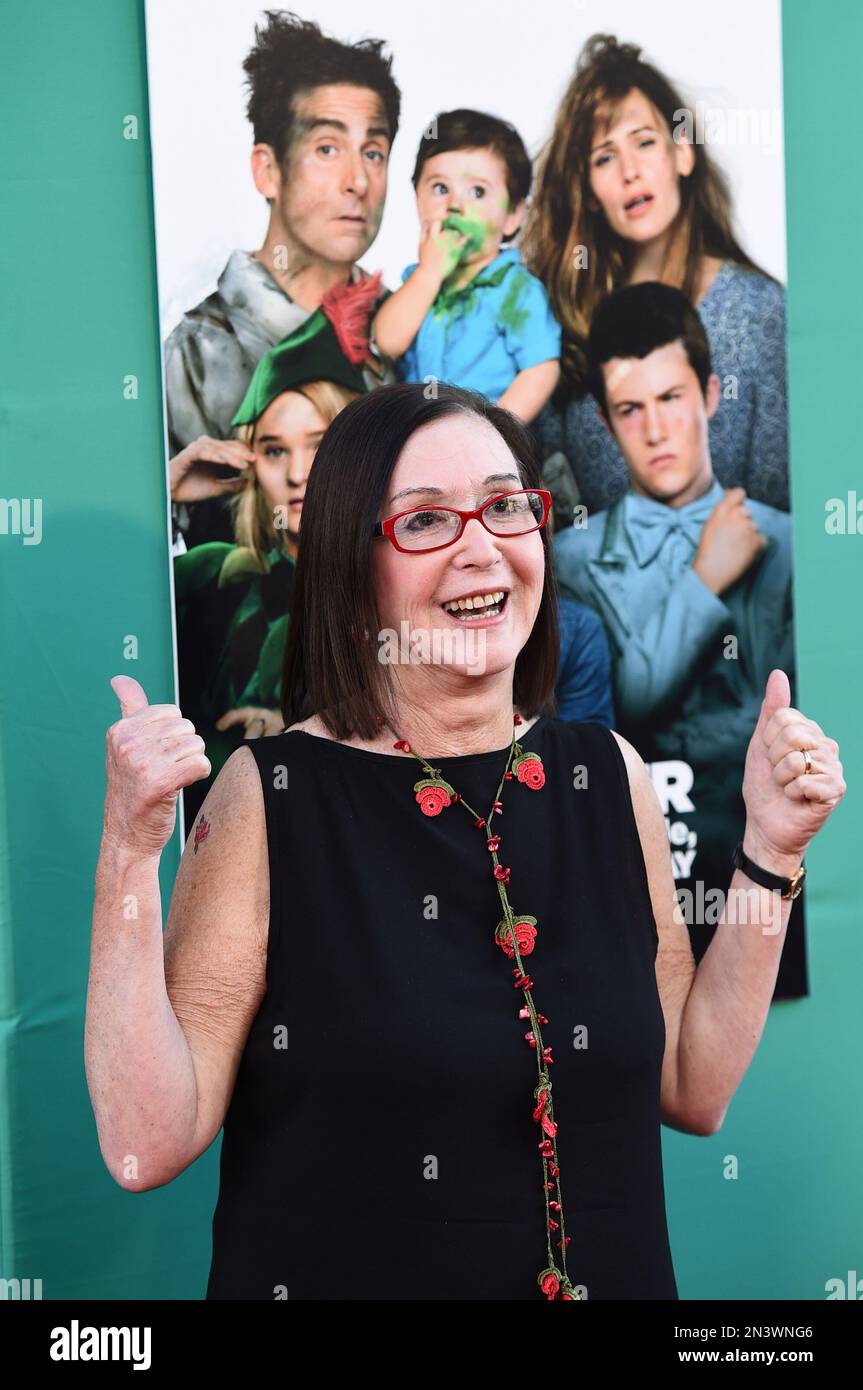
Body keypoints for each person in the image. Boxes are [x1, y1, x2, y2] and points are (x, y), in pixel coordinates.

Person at [87, 383, 845, 1302]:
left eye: (501, 506)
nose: (480, 549)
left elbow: (693, 1085)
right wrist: (128, 850)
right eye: (424, 522)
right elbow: (145, 1142)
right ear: (349, 563)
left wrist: (769, 852)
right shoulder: (272, 794)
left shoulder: (607, 775)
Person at [553, 281, 803, 993]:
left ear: (711, 395)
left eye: (671, 399)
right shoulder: (567, 560)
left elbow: (790, 727)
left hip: (761, 863)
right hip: (630, 875)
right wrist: (703, 581)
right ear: (603, 421)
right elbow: (619, 709)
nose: (656, 431)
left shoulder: (784, 545)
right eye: (631, 409)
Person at [521, 33, 789, 515]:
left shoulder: (760, 312)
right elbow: (549, 511)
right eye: (604, 157)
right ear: (588, 189)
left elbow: (784, 515)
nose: (630, 171)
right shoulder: (564, 315)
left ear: (682, 153)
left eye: (644, 142)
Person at [164, 10, 401, 550]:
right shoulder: (195, 355)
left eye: (373, 152)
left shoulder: (413, 335)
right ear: (267, 170)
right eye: (327, 148)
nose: (358, 181)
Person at [174, 304, 367, 827]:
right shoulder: (211, 576)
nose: (300, 473)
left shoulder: (402, 586)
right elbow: (79, 607)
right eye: (275, 451)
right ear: (248, 462)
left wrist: (300, 734)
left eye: (319, 444)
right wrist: (163, 493)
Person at [374, 109, 561, 423]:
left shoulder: (514, 288)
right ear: (417, 199)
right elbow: (387, 343)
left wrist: (497, 429)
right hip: (420, 437)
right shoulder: (419, 281)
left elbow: (541, 368)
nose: (455, 205)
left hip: (488, 446)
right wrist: (429, 273)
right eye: (440, 188)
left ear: (513, 216)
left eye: (478, 192)